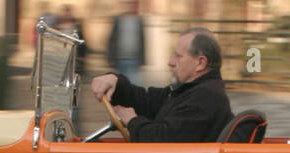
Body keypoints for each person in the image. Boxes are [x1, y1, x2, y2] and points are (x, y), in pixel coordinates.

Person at [89, 27, 232, 143]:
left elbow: (164, 141)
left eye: (178, 56)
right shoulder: (190, 91)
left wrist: (132, 121)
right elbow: (148, 101)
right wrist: (116, 82)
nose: (171, 62)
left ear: (200, 63)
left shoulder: (207, 98)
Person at [106, 0, 146, 84]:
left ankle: (133, 98)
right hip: (120, 59)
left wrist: (143, 59)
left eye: (133, 3)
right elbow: (111, 39)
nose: (131, 6)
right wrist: (110, 58)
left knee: (134, 83)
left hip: (134, 60)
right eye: (129, 3)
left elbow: (142, 41)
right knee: (121, 84)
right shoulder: (118, 19)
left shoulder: (139, 20)